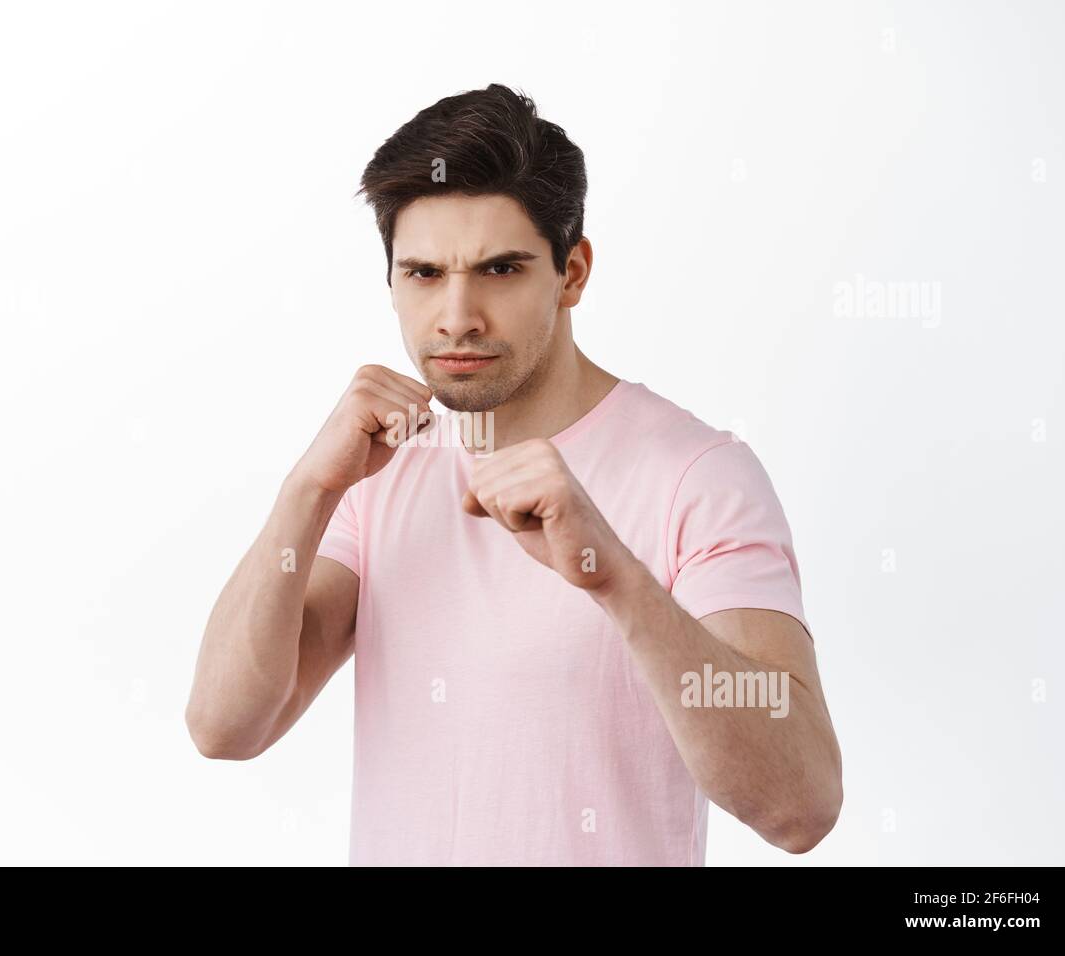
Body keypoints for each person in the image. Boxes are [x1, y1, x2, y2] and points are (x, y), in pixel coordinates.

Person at [185, 83, 842, 866]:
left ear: (572, 274)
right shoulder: (380, 471)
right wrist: (309, 492)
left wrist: (616, 581)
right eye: (424, 274)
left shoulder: (699, 476)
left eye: (499, 269)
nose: (457, 315)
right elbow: (225, 726)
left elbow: (801, 805)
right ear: (391, 280)